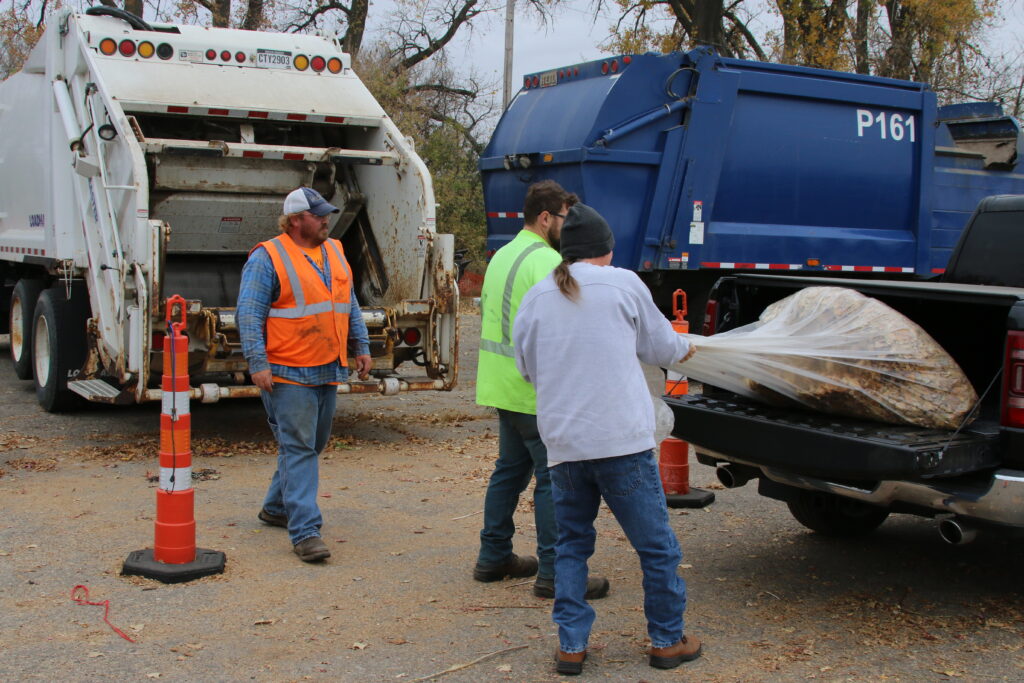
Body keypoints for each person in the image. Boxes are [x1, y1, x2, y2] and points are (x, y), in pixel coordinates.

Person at [513, 203, 702, 675]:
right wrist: (688, 347)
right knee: (656, 547)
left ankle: (571, 646)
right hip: (622, 443)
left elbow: (526, 369)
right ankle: (667, 641)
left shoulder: (538, 295)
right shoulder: (623, 283)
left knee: (571, 546)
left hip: (565, 446)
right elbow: (661, 347)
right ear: (607, 249)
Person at [473, 180, 610, 601]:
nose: (570, 227)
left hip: (501, 386)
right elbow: (567, 326)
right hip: (534, 391)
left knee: (509, 472)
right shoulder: (549, 261)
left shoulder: (502, 255)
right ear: (546, 217)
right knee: (554, 481)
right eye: (566, 218)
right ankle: (554, 572)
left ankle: (494, 556)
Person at [238, 187, 371, 563]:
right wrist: (257, 363)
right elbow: (249, 313)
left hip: (327, 366)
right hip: (287, 370)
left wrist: (361, 345)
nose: (327, 220)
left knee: (313, 444)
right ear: (296, 220)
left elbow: (348, 302)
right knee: (298, 447)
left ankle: (276, 507)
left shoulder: (335, 250)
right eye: (318, 215)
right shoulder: (268, 257)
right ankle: (305, 531)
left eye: (327, 213)